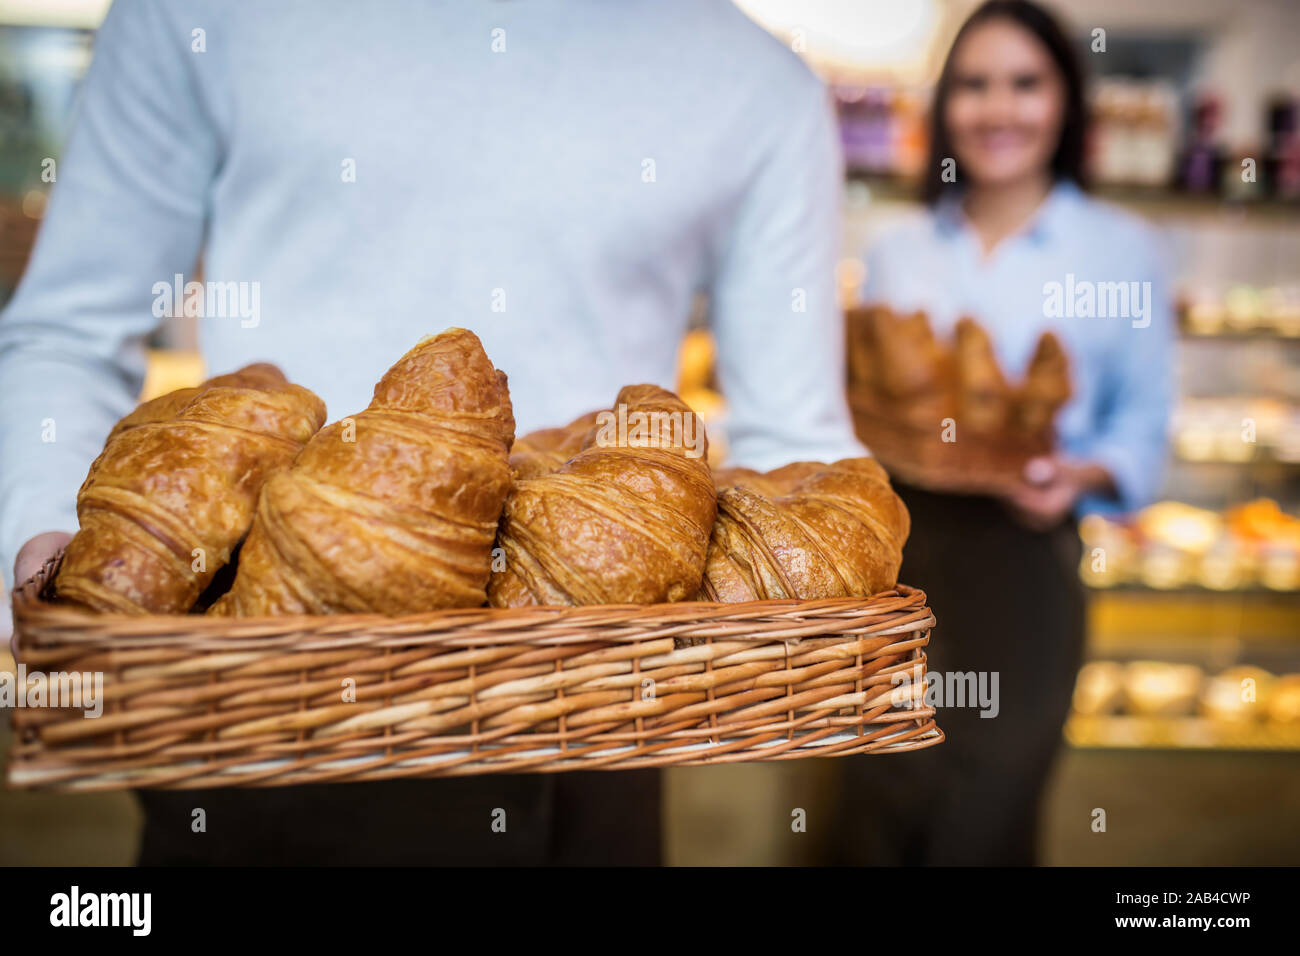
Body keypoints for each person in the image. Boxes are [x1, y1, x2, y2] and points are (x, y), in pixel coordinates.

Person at [0, 0, 865, 865]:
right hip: (252, 681)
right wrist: (61, 555)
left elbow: (795, 435)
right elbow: (67, 331)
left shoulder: (758, 81)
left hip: (590, 716)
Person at [830, 0, 1174, 865]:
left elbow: (1143, 431)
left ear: (1066, 100)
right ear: (946, 104)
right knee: (875, 809)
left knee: (985, 821)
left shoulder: (1118, 249)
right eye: (975, 85)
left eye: (1025, 83)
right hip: (900, 560)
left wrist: (1077, 476)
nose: (998, 108)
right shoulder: (903, 247)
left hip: (1026, 566)